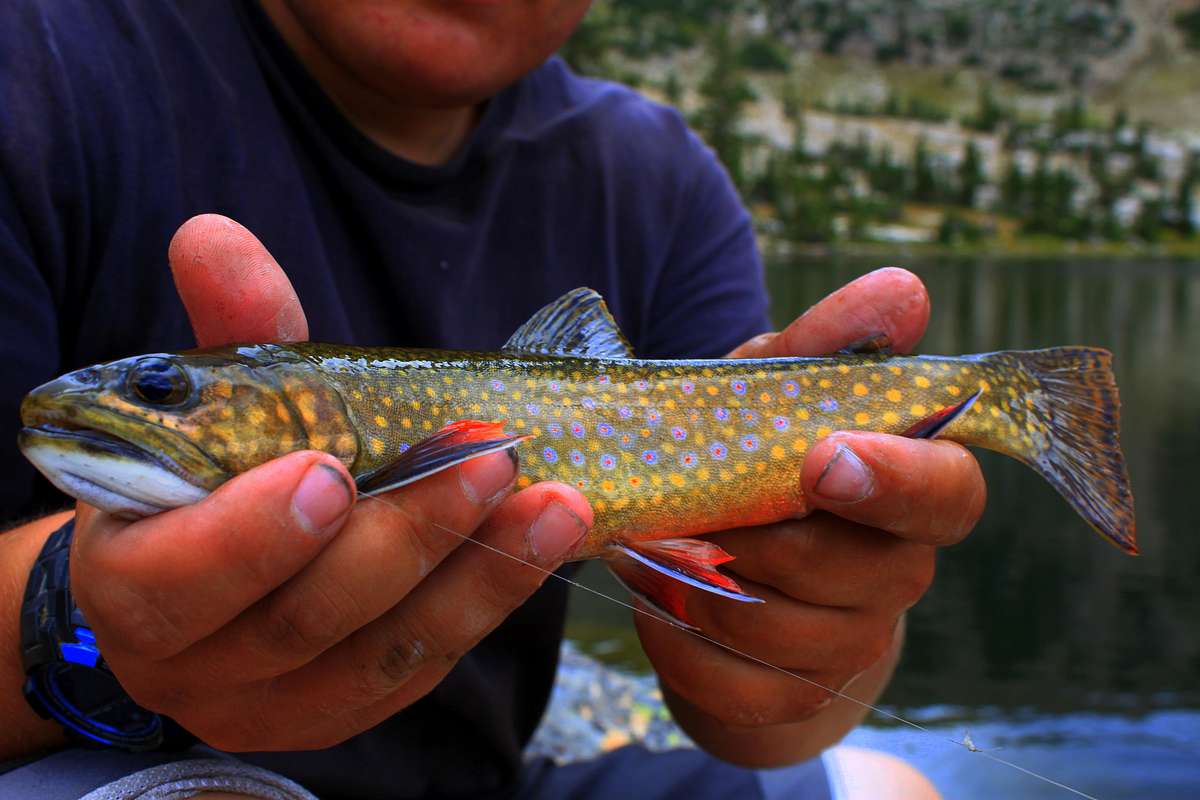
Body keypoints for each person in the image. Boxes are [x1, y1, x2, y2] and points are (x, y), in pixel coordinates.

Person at [0, 2, 982, 797]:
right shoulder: (36, 65)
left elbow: (762, 721)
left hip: (488, 773)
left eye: (165, 391)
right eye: (164, 392)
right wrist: (73, 618)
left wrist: (815, 634)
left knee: (893, 784)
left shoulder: (663, 184)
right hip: (99, 766)